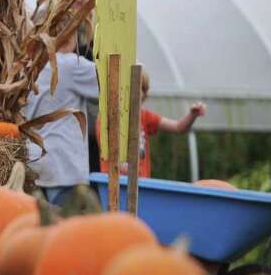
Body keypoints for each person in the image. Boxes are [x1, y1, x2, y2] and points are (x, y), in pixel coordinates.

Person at [21, 24, 98, 207]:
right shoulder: (70, 64)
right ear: (69, 38)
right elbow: (112, 80)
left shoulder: (30, 66)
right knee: (64, 228)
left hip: (34, 164)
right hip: (64, 167)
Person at [99, 68, 207, 177]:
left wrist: (192, 115)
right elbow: (109, 151)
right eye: (131, 85)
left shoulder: (145, 116)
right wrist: (122, 166)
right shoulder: (106, 118)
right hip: (113, 183)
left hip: (141, 185)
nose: (136, 92)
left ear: (144, 94)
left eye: (140, 88)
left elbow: (178, 127)